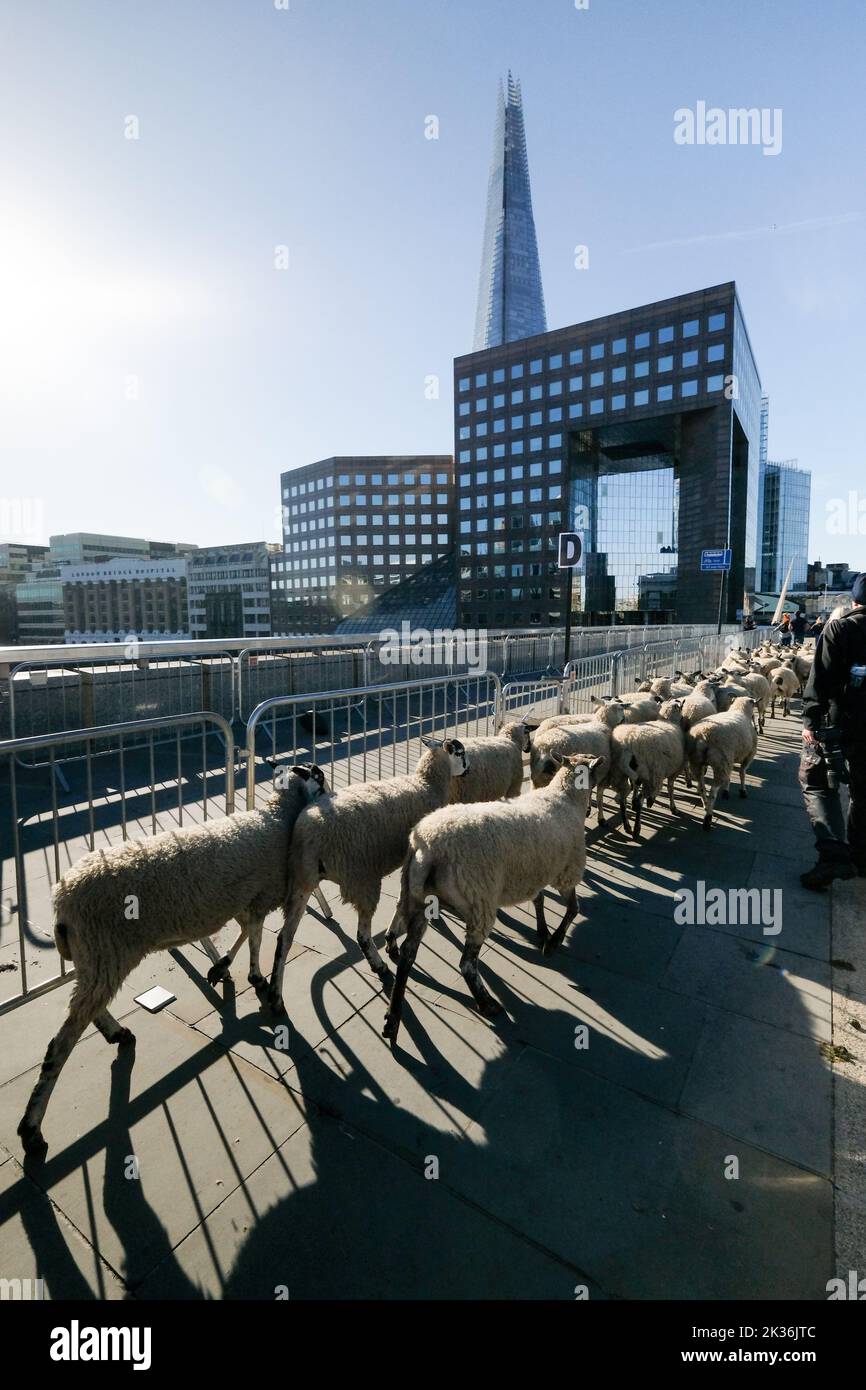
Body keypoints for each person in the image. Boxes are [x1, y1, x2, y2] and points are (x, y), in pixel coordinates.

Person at [799, 574, 866, 890]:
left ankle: (834, 855)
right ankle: (859, 856)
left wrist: (811, 722)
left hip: (838, 725)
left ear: (854, 601)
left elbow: (820, 679)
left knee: (816, 782)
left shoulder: (840, 628)